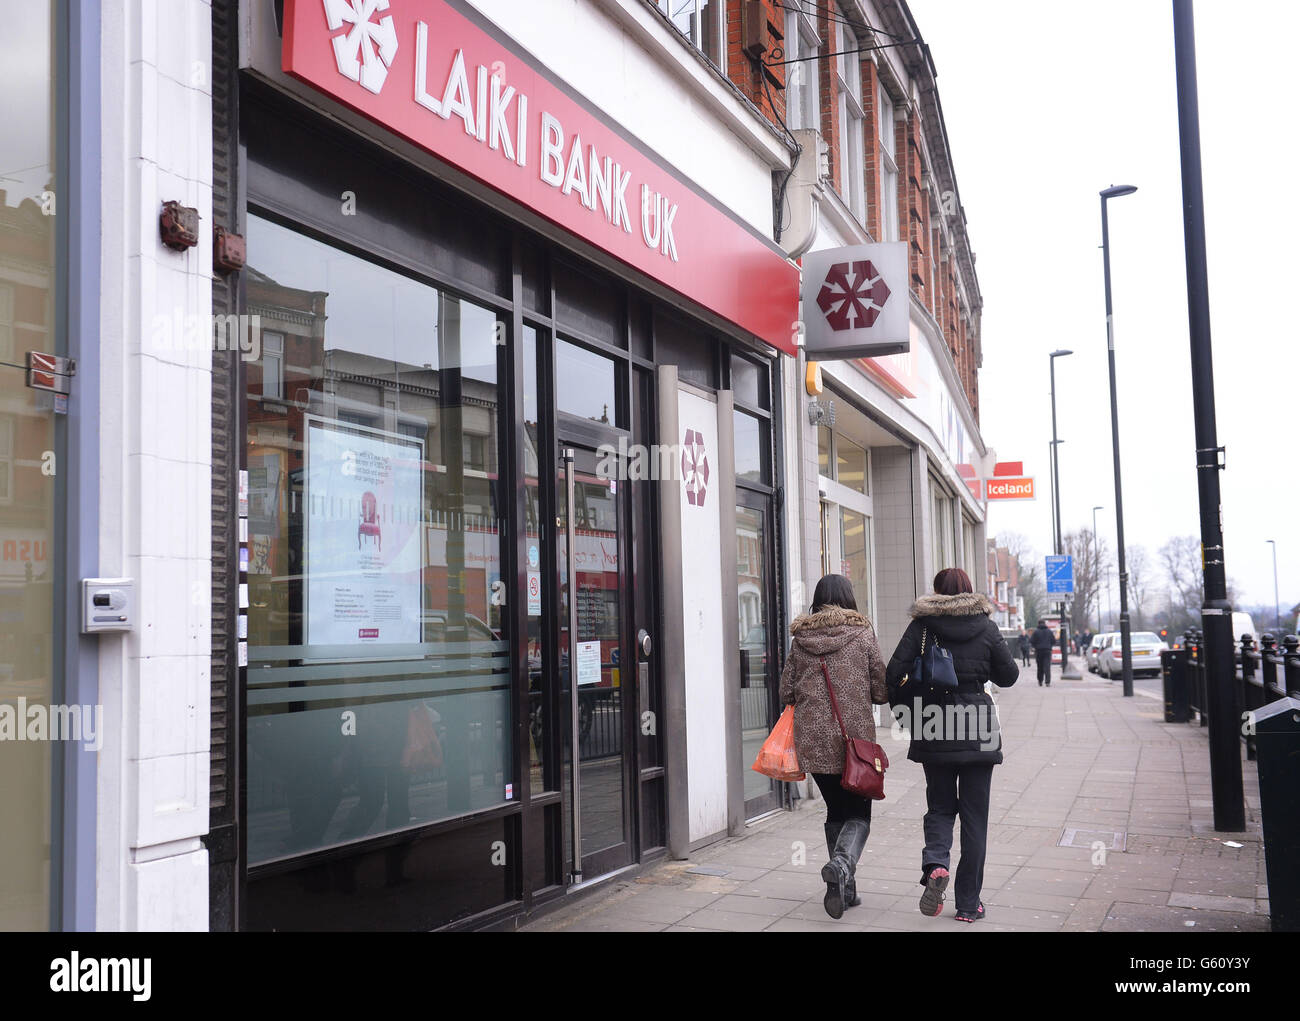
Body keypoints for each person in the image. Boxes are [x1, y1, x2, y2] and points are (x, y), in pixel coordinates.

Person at [885, 568, 1019, 923]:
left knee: (941, 807)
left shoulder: (923, 627)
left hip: (934, 724)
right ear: (970, 591)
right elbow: (1009, 676)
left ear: (937, 591)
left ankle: (935, 866)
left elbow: (892, 675)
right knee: (976, 820)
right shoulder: (987, 627)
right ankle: (968, 904)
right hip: (978, 730)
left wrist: (909, 712)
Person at [779, 574, 889, 919]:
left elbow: (786, 692)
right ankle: (841, 866)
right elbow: (882, 691)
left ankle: (844, 890)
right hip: (854, 742)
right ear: (849, 597)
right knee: (859, 814)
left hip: (812, 741)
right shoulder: (863, 634)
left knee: (836, 811)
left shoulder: (801, 639)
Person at [1030, 618, 1056, 686]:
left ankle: (1040, 681)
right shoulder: (1049, 631)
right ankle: (1047, 682)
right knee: (1047, 666)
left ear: (1038, 624)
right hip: (1047, 650)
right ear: (1045, 623)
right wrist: (1049, 645)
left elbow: (1031, 641)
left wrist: (1035, 646)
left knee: (1040, 666)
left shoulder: (1036, 632)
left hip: (1039, 651)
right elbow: (1054, 641)